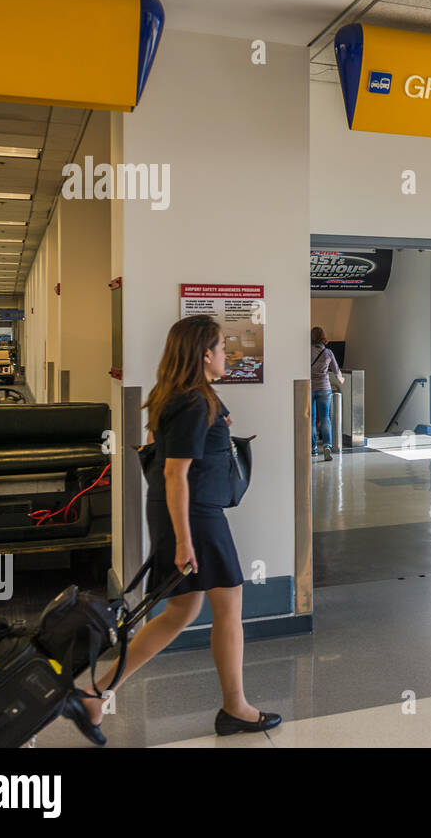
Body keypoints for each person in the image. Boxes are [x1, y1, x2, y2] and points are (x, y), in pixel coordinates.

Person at [73, 315, 280, 742]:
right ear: (205, 354)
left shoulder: (180, 397)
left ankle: (98, 693)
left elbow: (171, 456)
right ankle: (236, 707)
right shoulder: (192, 402)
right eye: (223, 347)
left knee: (180, 612)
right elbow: (174, 473)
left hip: (184, 515)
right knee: (228, 606)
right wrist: (185, 540)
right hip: (196, 519)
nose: (228, 354)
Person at [309, 327, 343, 461]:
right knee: (325, 418)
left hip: (309, 388)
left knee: (311, 420)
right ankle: (327, 446)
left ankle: (313, 449)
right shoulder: (328, 352)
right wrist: (341, 379)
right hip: (324, 388)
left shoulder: (305, 352)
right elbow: (337, 372)